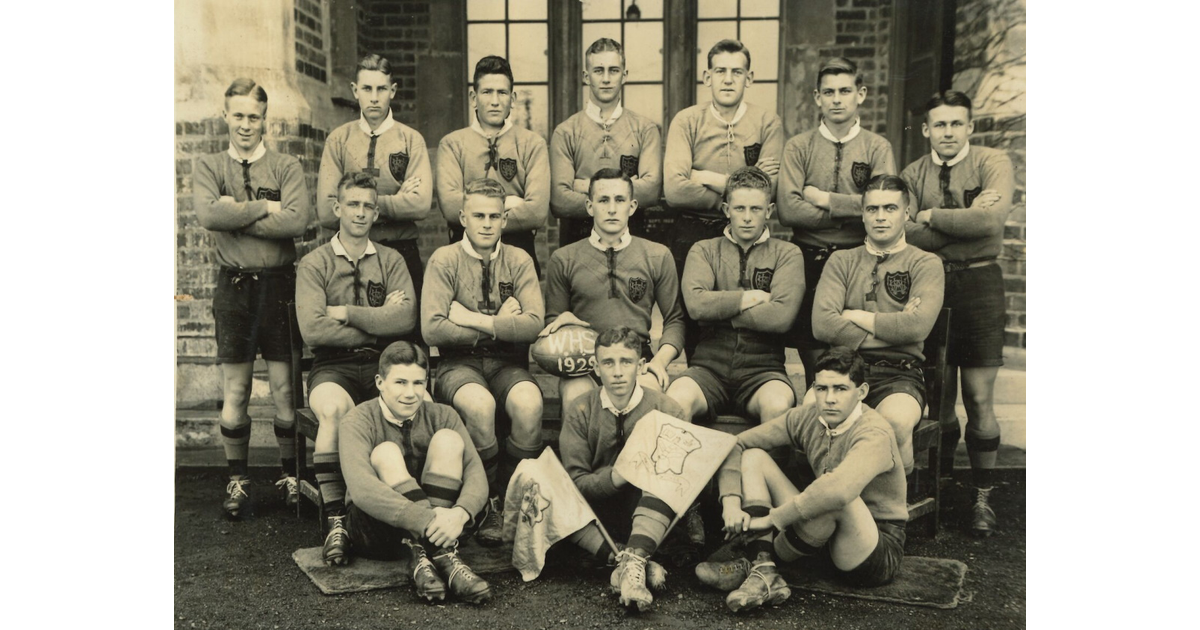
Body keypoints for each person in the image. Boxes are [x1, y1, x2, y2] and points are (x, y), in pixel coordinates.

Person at [695, 347, 907, 612]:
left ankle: (754, 563)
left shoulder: (875, 432)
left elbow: (838, 492)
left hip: (873, 547)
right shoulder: (808, 418)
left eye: (840, 389)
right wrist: (730, 502)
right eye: (821, 389)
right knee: (754, 456)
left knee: (833, 494)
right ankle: (763, 569)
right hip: (820, 533)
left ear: (861, 392)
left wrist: (773, 519)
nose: (829, 399)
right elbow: (735, 444)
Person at [193, 77, 312, 517]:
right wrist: (264, 208)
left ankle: (289, 475)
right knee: (237, 389)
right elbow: (208, 214)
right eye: (238, 115)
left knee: (284, 388)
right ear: (226, 115)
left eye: (254, 116)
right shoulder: (209, 166)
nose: (246, 124)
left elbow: (296, 222)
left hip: (280, 286)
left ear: (266, 119)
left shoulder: (286, 167)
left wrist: (234, 215)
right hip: (235, 288)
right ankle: (238, 479)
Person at [901, 90, 1015, 537]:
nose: (947, 132)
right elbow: (906, 233)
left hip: (982, 284)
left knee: (979, 397)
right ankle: (941, 492)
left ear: (969, 127)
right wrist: (954, 228)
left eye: (956, 124)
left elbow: (989, 222)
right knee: (938, 394)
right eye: (939, 125)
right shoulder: (912, 172)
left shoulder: (992, 162)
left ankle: (982, 497)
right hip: (931, 280)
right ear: (927, 129)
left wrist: (932, 216)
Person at [296, 172, 418, 565]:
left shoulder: (392, 259)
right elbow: (314, 329)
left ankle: (419, 515)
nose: (361, 213)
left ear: (377, 212)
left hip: (385, 362)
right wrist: (377, 321)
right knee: (335, 411)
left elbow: (405, 321)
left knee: (419, 404)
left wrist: (347, 314)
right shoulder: (314, 262)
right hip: (333, 367)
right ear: (337, 209)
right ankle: (337, 520)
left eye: (368, 206)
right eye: (353, 204)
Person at [422, 177, 545, 547]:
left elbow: (535, 324)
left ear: (506, 219)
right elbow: (433, 329)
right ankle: (487, 501)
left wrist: (474, 320)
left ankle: (516, 497)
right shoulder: (445, 259)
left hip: (507, 363)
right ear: (463, 217)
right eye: (479, 215)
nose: (487, 223)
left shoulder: (519, 259)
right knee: (480, 405)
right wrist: (502, 325)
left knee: (530, 403)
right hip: (458, 365)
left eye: (495, 216)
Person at [337, 341, 492, 604]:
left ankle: (425, 558)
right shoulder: (358, 419)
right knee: (385, 452)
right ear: (379, 382)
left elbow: (476, 473)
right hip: (377, 528)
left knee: (449, 440)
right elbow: (362, 490)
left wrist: (460, 513)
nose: (410, 393)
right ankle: (443, 556)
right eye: (400, 382)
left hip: (443, 523)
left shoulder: (443, 414)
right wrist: (429, 521)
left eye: (418, 383)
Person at [811, 174, 944, 474]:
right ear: (862, 213)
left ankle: (892, 513)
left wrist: (853, 315)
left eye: (890, 208)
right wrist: (894, 332)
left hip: (900, 375)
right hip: (842, 370)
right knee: (813, 414)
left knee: (894, 422)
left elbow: (916, 328)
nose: (880, 217)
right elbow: (822, 325)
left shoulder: (925, 263)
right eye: (872, 209)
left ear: (906, 213)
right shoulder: (841, 261)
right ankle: (833, 507)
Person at [777, 58, 896, 389]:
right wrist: (854, 211)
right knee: (812, 352)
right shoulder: (799, 146)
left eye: (845, 90)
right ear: (817, 97)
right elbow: (788, 210)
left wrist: (826, 200)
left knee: (852, 349)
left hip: (859, 257)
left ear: (861, 94)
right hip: (808, 257)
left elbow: (884, 206)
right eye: (828, 92)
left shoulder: (877, 147)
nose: (837, 99)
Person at [663, 39, 784, 361]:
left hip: (748, 236)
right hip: (694, 230)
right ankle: (698, 380)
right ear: (707, 77)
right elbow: (674, 189)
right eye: (720, 71)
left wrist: (704, 176)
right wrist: (744, 180)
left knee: (750, 308)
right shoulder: (687, 120)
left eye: (736, 71)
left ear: (750, 77)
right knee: (694, 317)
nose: (728, 79)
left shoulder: (767, 122)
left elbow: (768, 188)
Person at [559, 327, 687, 611]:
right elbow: (575, 482)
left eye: (626, 362)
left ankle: (634, 559)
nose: (617, 372)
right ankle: (628, 559)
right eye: (608, 362)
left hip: (650, 514)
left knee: (663, 477)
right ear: (595, 367)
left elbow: (680, 480)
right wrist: (617, 476)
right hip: (598, 516)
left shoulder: (668, 409)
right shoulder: (581, 409)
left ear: (641, 366)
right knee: (544, 482)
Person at [665, 167, 802, 427]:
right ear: (727, 210)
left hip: (764, 370)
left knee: (777, 404)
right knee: (676, 398)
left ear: (769, 211)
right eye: (739, 209)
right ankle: (685, 470)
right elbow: (696, 307)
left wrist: (720, 310)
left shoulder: (787, 253)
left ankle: (766, 468)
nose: (747, 218)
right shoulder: (704, 250)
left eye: (756, 209)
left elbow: (781, 317)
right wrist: (752, 298)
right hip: (708, 367)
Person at [542, 168, 684, 406]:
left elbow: (675, 320)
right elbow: (552, 325)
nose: (611, 209)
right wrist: (562, 323)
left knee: (647, 397)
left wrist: (659, 361)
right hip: (585, 363)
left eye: (619, 200)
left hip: (637, 359)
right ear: (589, 206)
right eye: (603, 200)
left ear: (632, 206)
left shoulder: (657, 255)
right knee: (575, 396)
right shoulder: (563, 258)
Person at [316, 53, 433, 301]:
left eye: (381, 89)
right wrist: (395, 200)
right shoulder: (338, 140)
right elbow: (327, 212)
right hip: (350, 255)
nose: (374, 97)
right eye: (367, 88)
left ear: (393, 91)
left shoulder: (411, 140)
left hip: (401, 251)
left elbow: (421, 205)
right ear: (354, 90)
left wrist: (354, 205)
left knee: (406, 333)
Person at [437, 55, 550, 276]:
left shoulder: (532, 143)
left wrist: (476, 210)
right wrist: (510, 202)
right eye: (487, 92)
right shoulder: (452, 144)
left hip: (519, 254)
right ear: (473, 97)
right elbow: (451, 209)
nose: (495, 101)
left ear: (513, 98)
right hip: (464, 256)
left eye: (502, 92)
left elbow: (536, 212)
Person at [549, 37, 662, 246]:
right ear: (586, 76)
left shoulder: (645, 129)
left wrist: (585, 186)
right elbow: (560, 201)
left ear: (624, 75)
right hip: (577, 242)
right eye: (599, 70)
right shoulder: (565, 132)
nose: (606, 78)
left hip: (631, 242)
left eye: (614, 70)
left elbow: (651, 191)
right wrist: (627, 189)